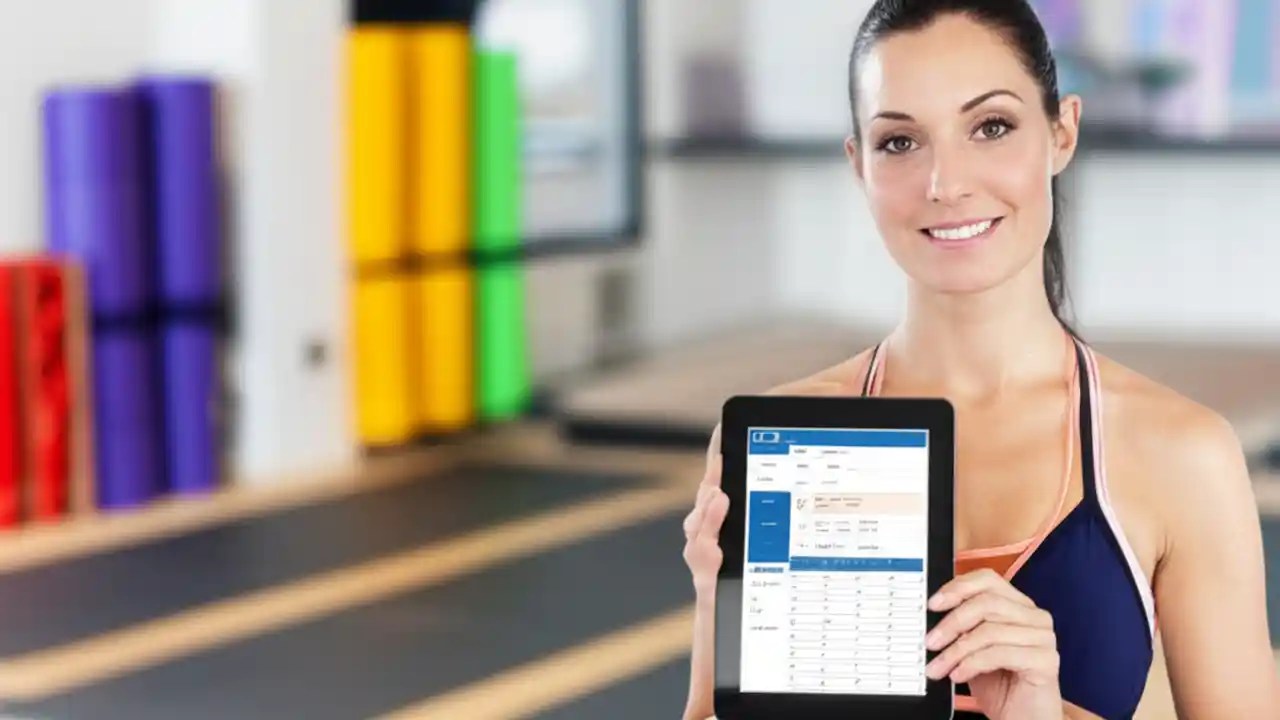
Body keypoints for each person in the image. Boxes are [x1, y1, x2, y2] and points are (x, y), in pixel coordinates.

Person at [680, 1, 1280, 718]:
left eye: (991, 127)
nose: (946, 182)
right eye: (900, 142)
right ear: (858, 165)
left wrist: (1042, 711)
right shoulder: (780, 442)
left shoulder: (1180, 455)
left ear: (1062, 133)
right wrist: (721, 603)